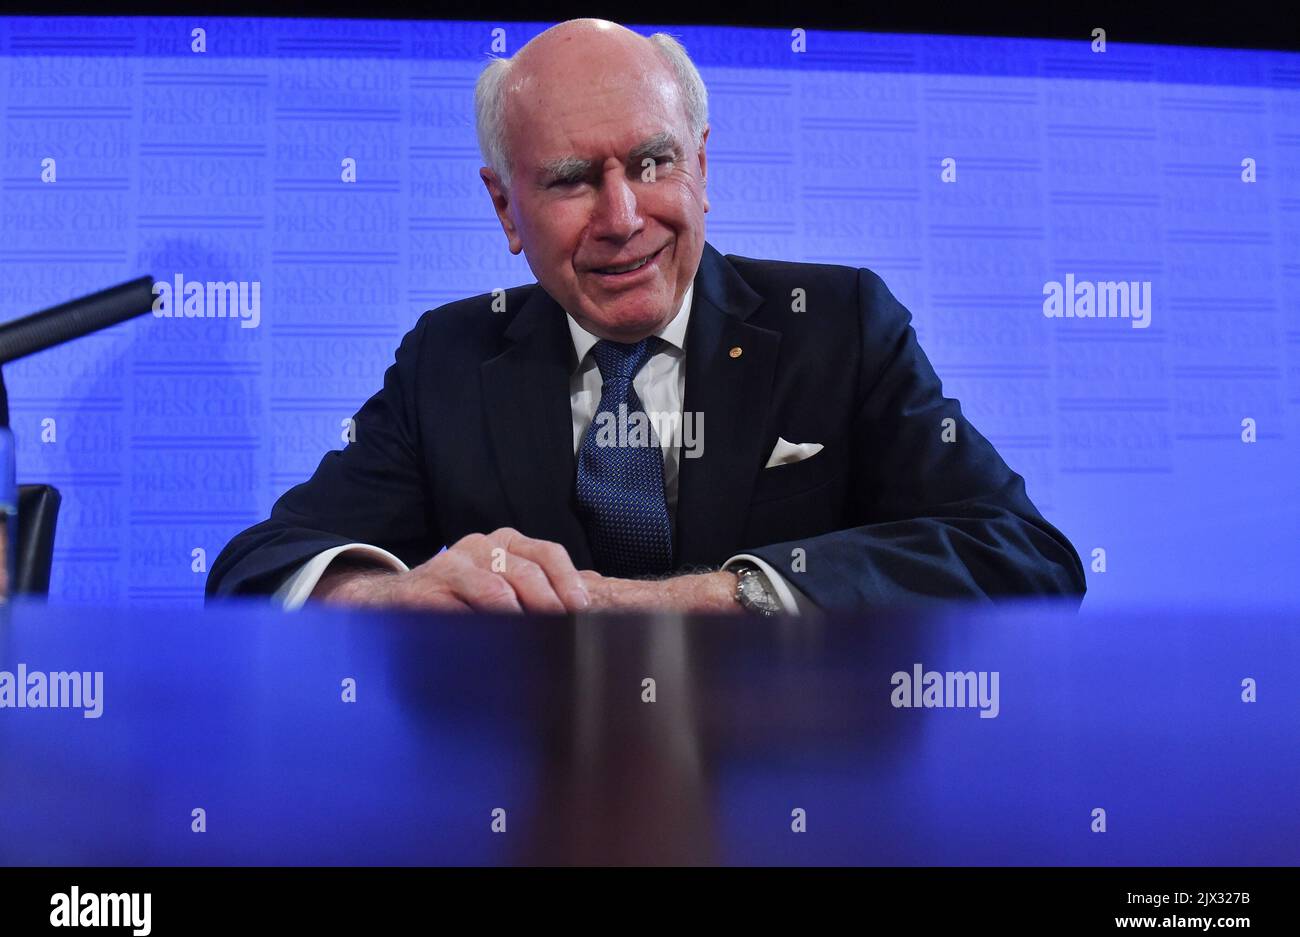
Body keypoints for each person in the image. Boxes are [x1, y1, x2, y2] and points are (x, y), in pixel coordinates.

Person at [206, 18, 1086, 614]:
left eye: (653, 162)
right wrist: (391, 597)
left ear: (701, 168)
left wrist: (721, 597)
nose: (623, 217)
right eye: (571, 179)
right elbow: (256, 568)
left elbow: (1025, 557)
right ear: (506, 210)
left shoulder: (840, 324)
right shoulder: (447, 358)